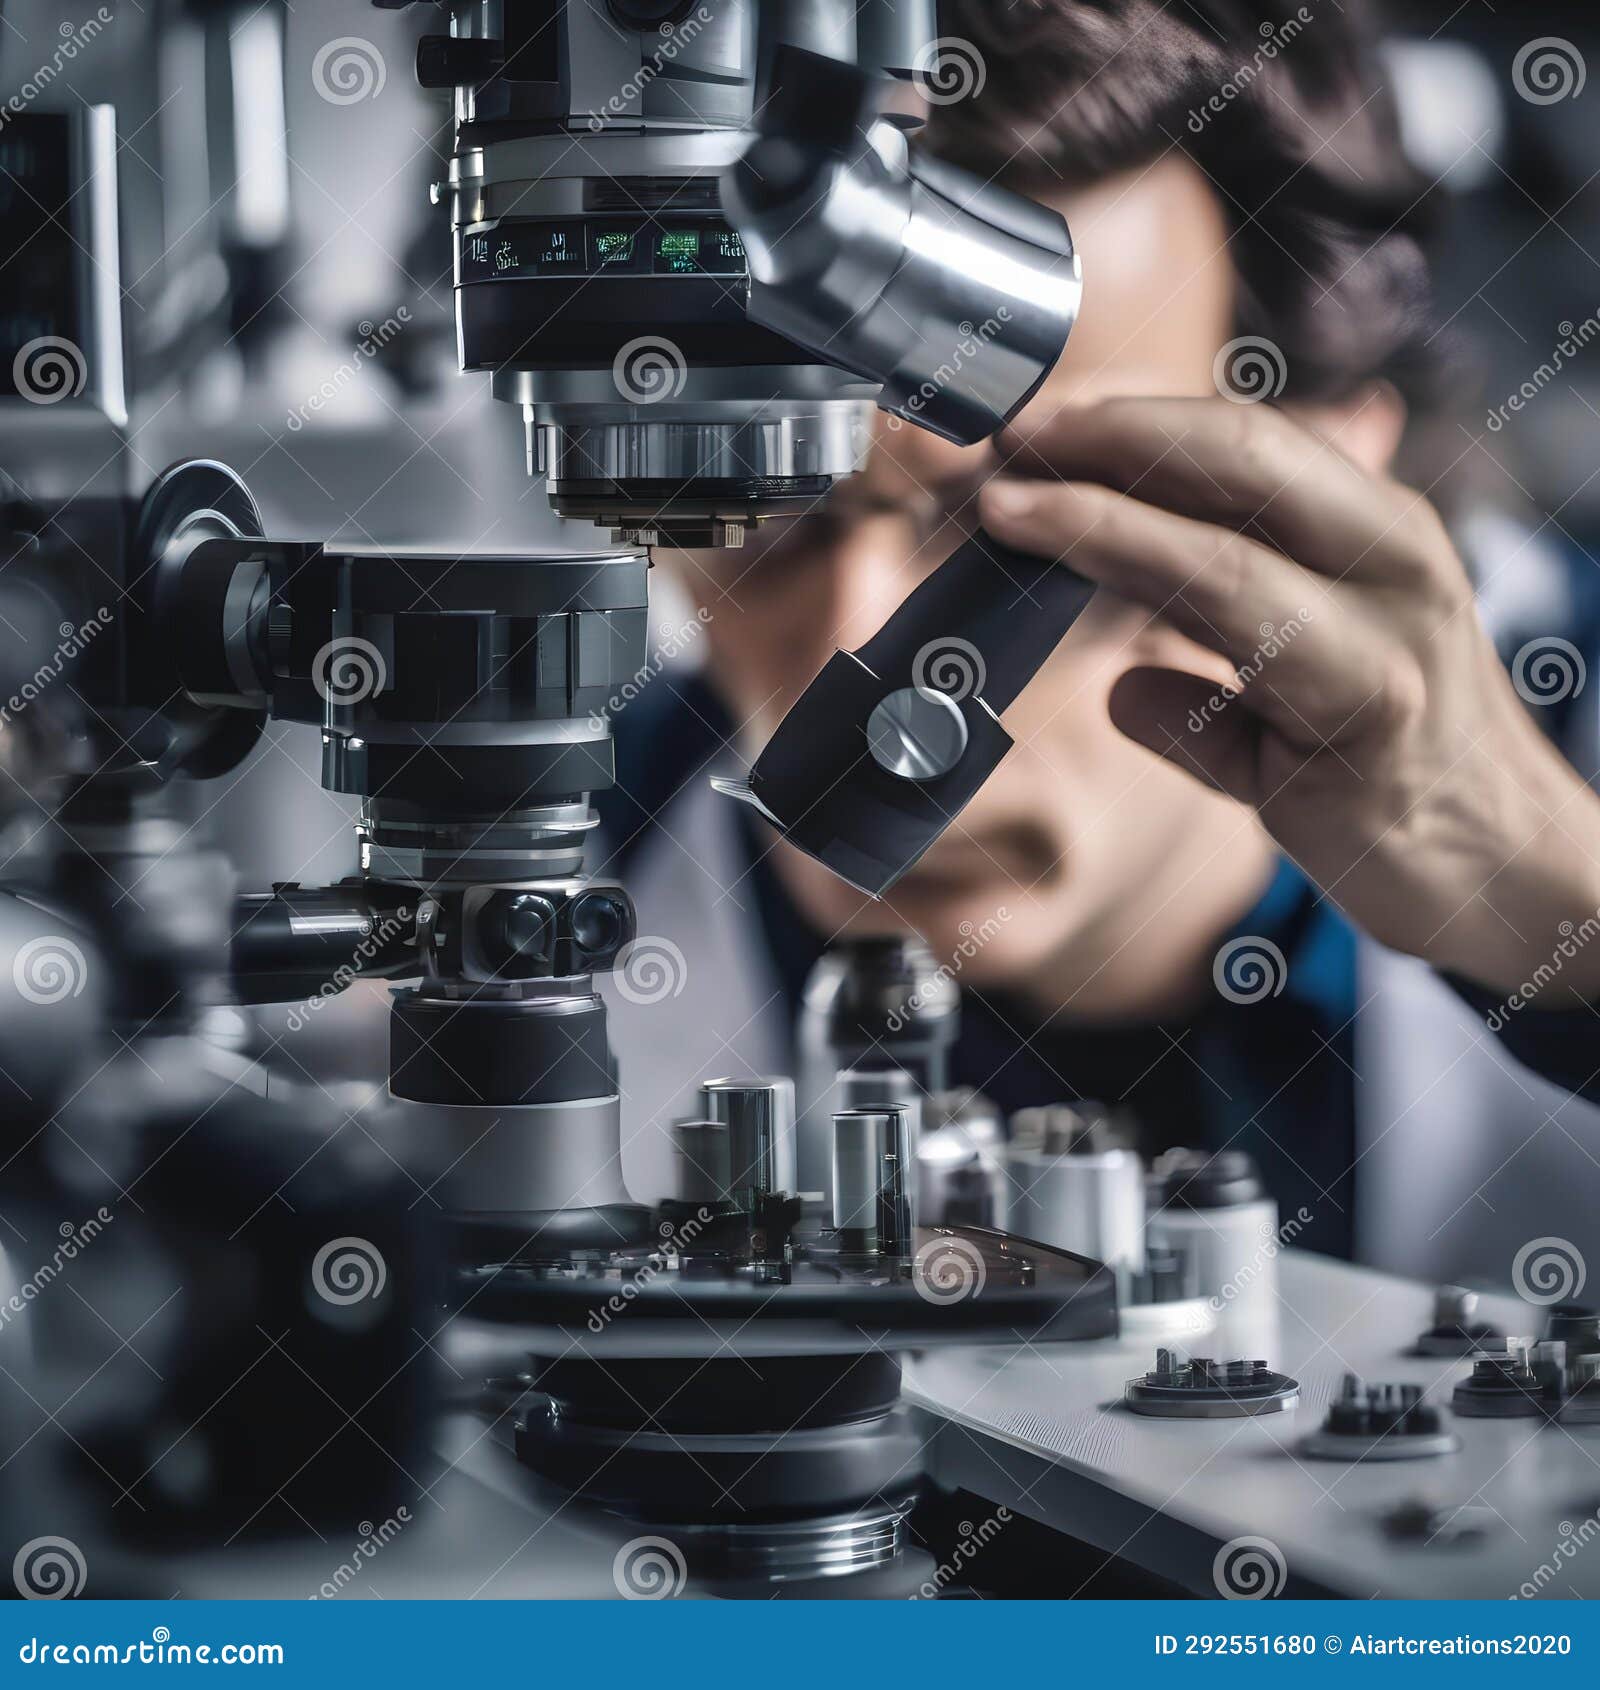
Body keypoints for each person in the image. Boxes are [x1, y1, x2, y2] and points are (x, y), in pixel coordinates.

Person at [596, 0, 1600, 1263]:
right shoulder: (577, 842)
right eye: (762, 516)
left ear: (1317, 478)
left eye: (1008, 541)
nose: (848, 661)